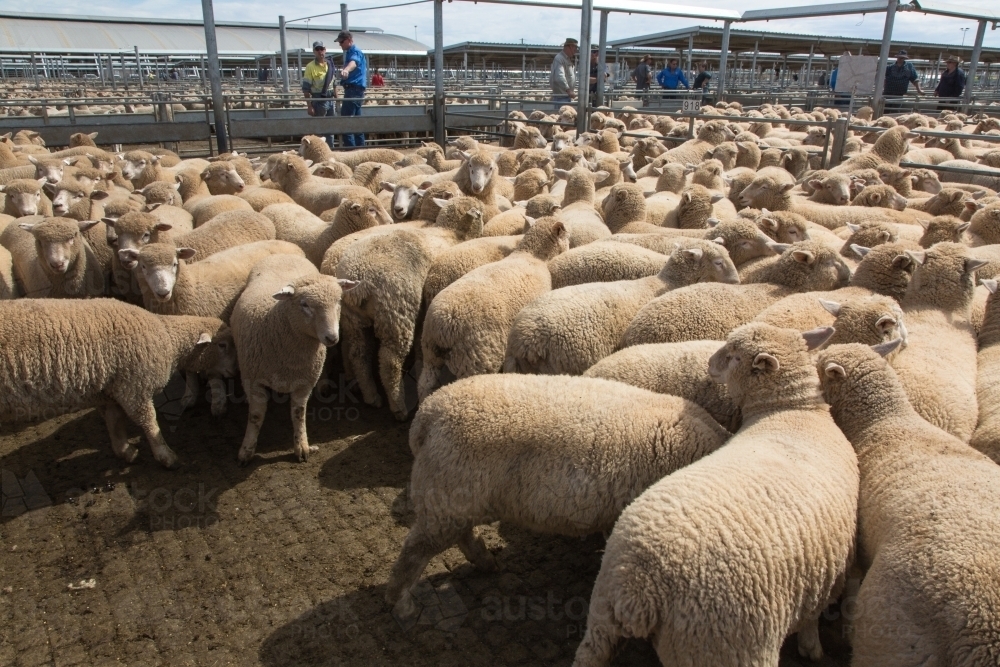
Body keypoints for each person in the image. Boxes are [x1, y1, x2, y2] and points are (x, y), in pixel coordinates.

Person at [302, 41, 337, 149]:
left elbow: (334, 82)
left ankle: (329, 151)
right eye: (317, 49)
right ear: (314, 52)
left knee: (330, 128)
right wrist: (309, 106)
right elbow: (306, 88)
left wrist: (337, 98)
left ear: (325, 50)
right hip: (319, 100)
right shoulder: (310, 67)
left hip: (330, 99)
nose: (320, 51)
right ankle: (318, 152)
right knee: (320, 128)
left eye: (321, 49)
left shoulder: (330, 64)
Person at [336, 31, 368, 148]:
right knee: (356, 122)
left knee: (347, 122)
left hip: (353, 90)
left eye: (341, 41)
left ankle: (351, 151)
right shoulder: (350, 52)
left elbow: (353, 63)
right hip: (355, 90)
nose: (340, 44)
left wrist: (346, 70)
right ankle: (360, 149)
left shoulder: (355, 51)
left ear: (349, 40)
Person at [550, 37, 578, 107]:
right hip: (561, 97)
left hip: (565, 96)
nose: (575, 51)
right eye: (574, 49)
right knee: (563, 116)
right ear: (569, 47)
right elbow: (559, 76)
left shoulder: (567, 59)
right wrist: (568, 90)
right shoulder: (559, 58)